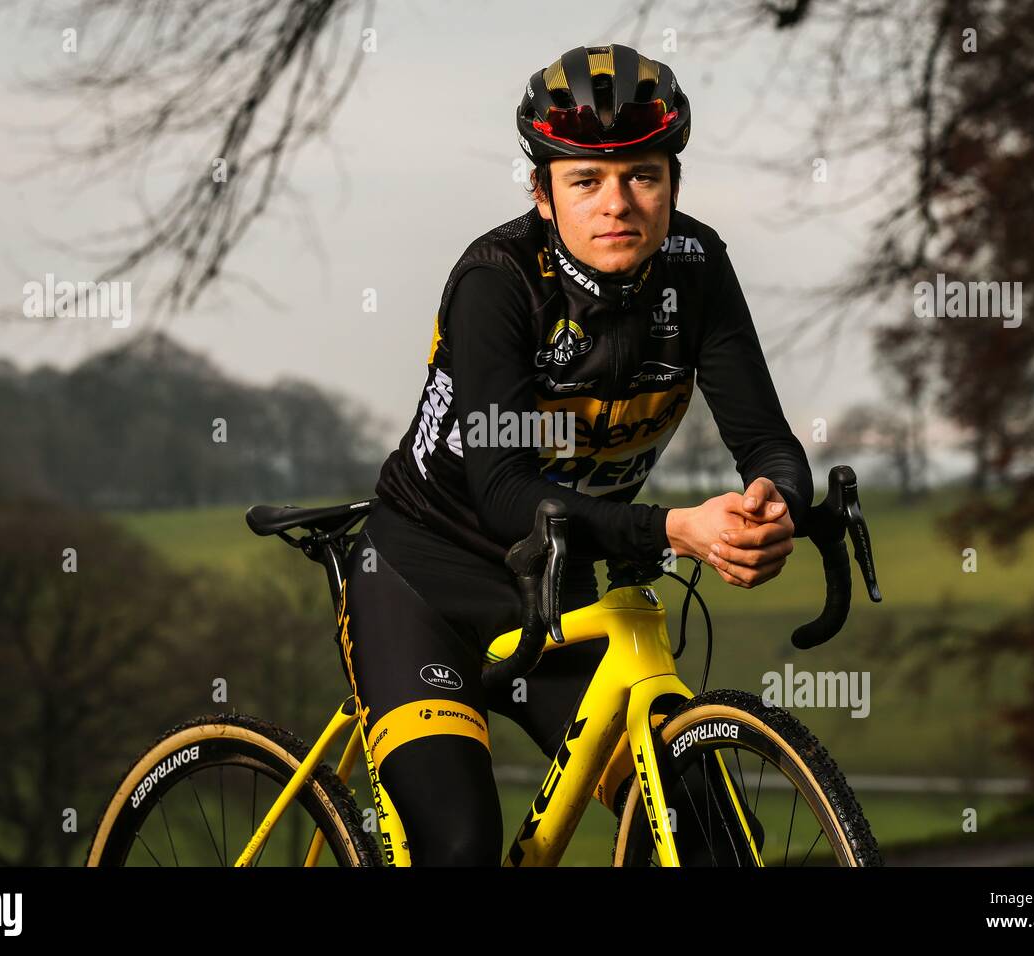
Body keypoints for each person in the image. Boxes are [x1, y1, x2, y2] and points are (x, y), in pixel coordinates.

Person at [338, 43, 813, 865]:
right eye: (586, 180)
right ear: (543, 193)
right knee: (461, 844)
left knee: (707, 828)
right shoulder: (497, 282)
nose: (617, 204)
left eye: (643, 176)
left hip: (554, 589)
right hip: (424, 581)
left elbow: (766, 440)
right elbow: (502, 490)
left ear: (674, 183)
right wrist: (675, 530)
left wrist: (775, 502)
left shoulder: (697, 270)